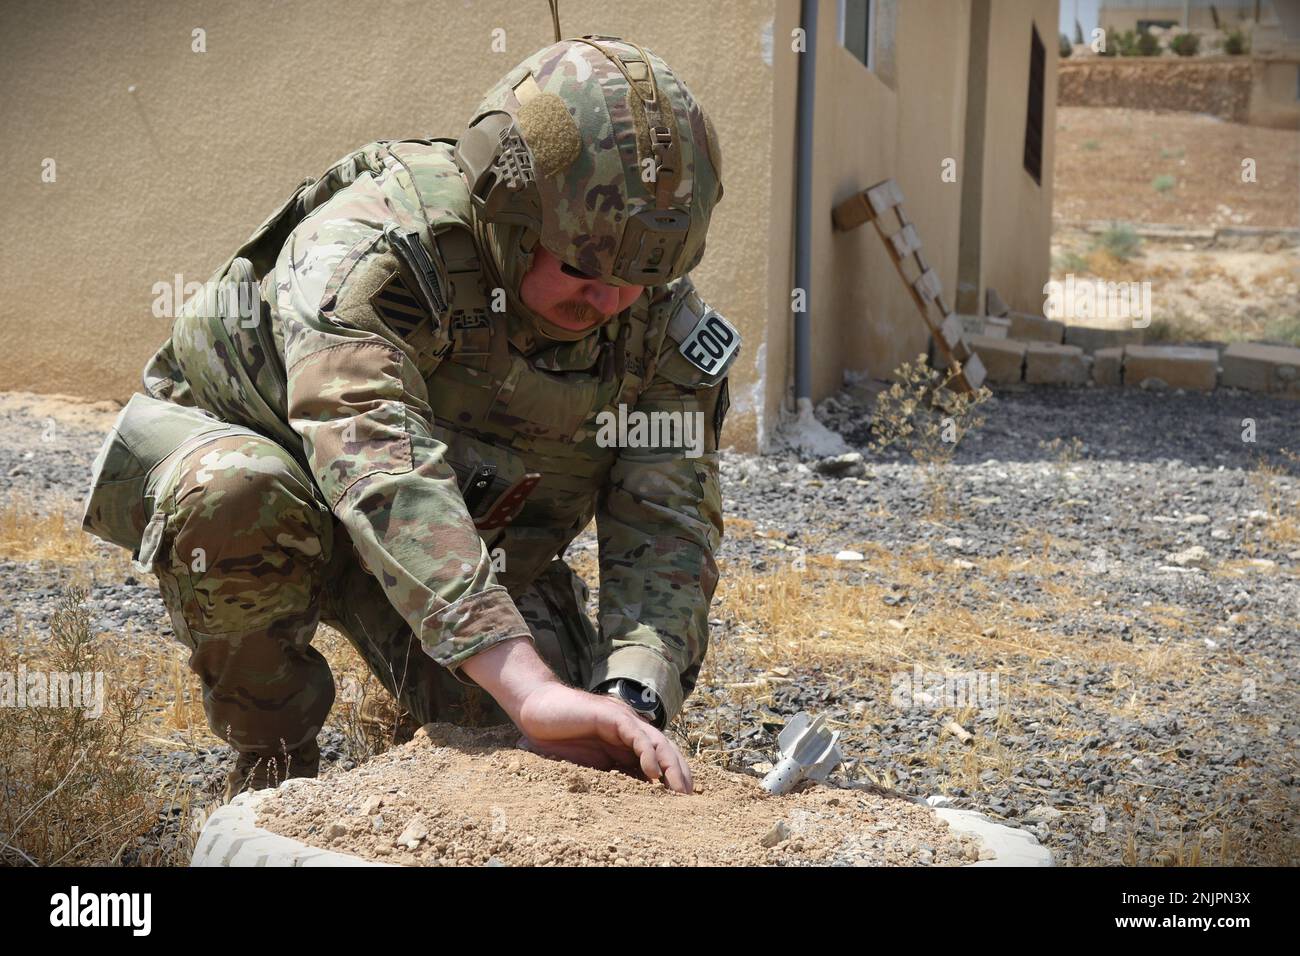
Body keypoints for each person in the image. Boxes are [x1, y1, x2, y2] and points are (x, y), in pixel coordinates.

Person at [82, 35, 737, 801]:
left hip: (458, 533)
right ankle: (272, 764)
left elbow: (666, 527)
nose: (612, 302)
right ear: (509, 214)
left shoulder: (659, 318)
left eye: (642, 278)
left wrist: (633, 696)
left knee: (548, 754)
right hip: (275, 474)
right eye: (585, 271)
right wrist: (517, 675)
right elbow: (372, 451)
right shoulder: (375, 245)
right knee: (233, 492)